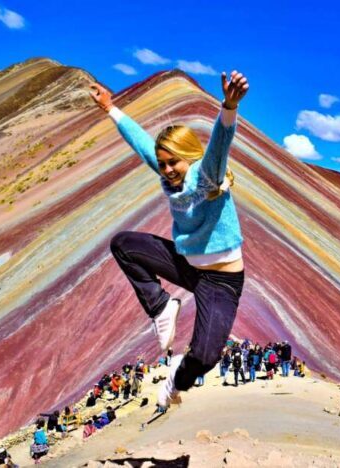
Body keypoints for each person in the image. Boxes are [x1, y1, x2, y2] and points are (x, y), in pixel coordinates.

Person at [92, 70, 250, 413]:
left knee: (206, 356)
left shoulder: (206, 175)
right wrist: (110, 108)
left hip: (222, 282)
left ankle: (175, 382)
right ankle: (162, 306)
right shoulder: (169, 178)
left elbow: (220, 142)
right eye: (162, 164)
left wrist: (229, 106)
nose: (166, 169)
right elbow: (141, 144)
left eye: (172, 162)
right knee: (123, 244)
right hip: (186, 265)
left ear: (188, 157)